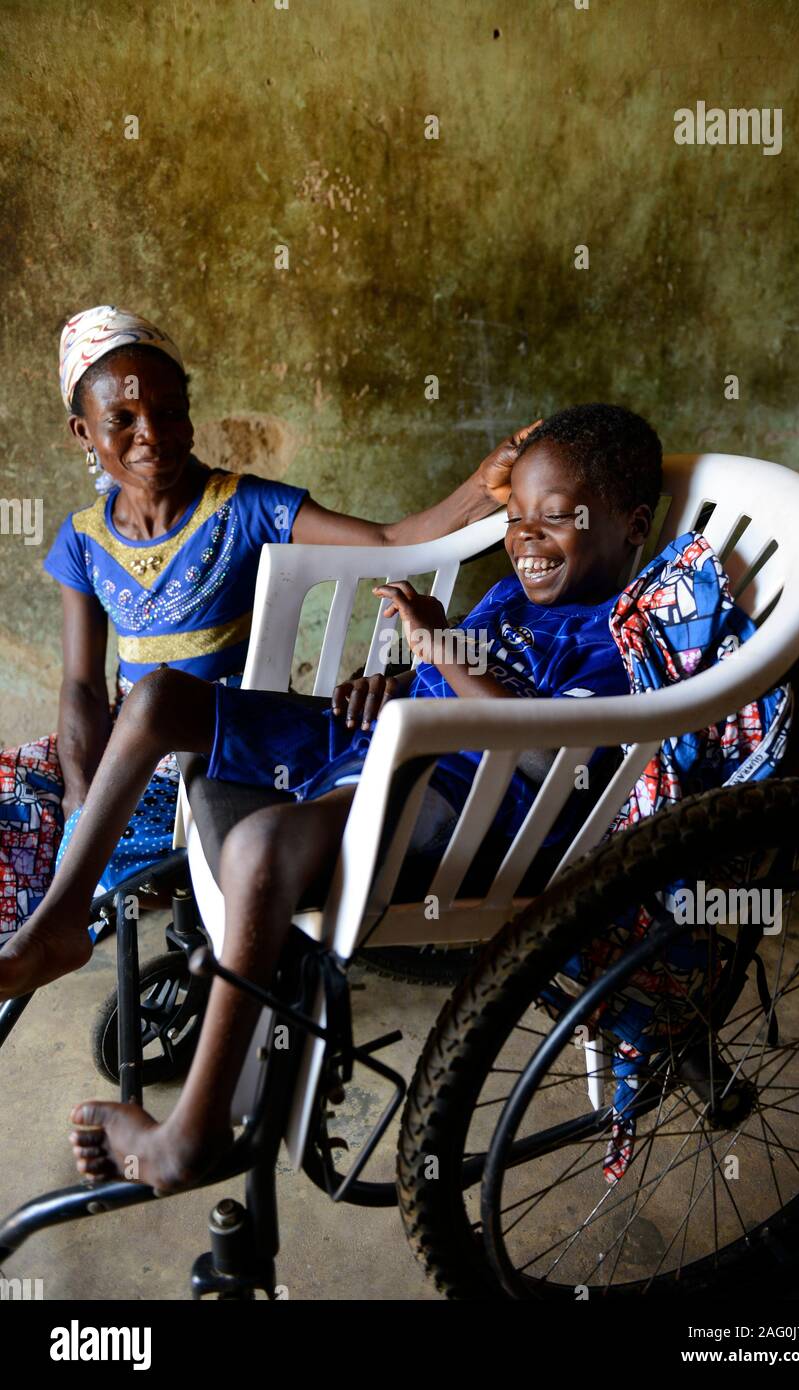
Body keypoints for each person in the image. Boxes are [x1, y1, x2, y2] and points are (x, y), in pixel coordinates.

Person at [0, 402, 659, 1193]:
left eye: (553, 520)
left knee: (258, 846)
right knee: (156, 703)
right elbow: (452, 670)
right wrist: (396, 678)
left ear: (633, 528)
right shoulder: (517, 599)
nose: (522, 539)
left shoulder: (618, 636)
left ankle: (192, 1135)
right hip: (379, 738)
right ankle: (63, 921)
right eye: (514, 517)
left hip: (452, 794)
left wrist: (438, 652)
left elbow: (552, 742)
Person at [0, 305, 538, 944]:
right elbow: (83, 690)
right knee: (18, 800)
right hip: (128, 743)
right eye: (121, 419)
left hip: (221, 734)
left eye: (170, 411)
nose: (152, 433)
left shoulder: (248, 505)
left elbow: (392, 539)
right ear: (83, 433)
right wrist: (80, 798)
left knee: (88, 839)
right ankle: (43, 933)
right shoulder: (83, 541)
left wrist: (483, 483)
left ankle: (57, 930)